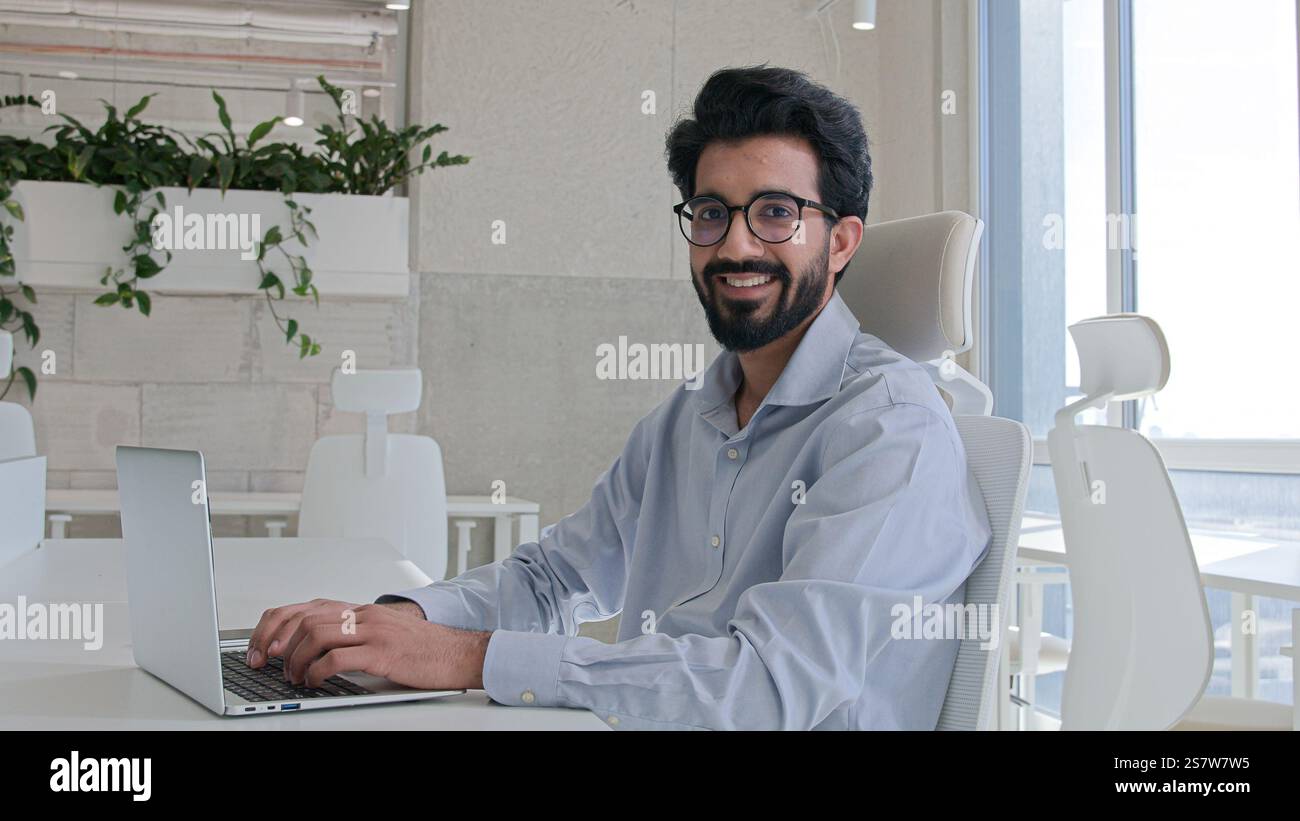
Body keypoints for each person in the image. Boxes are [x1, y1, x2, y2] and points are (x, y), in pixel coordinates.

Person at [246, 65, 992, 730]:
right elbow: (555, 577)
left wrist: (469, 657)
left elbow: (765, 690)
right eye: (711, 212)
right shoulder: (687, 416)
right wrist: (395, 622)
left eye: (775, 213)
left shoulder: (891, 433)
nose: (735, 246)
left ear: (840, 241)